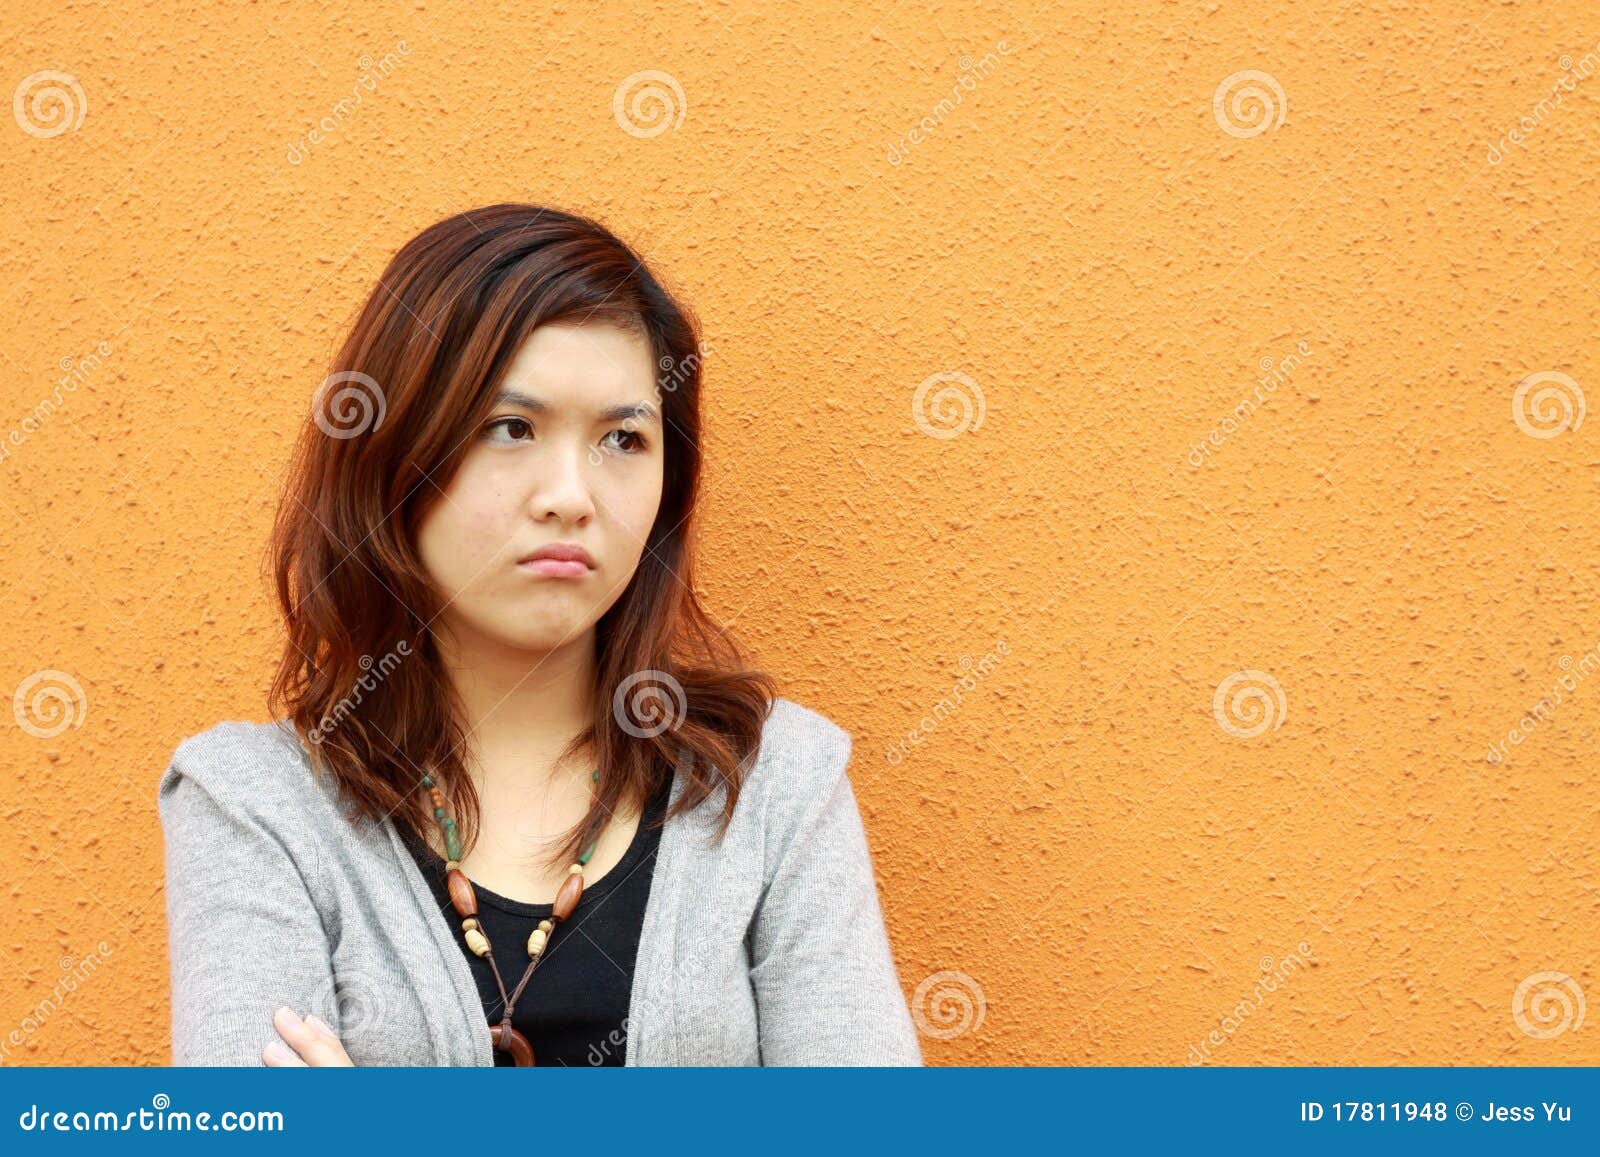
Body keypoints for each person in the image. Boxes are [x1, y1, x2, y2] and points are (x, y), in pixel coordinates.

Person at [156, 203, 923, 1067]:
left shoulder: (773, 785)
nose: (573, 494)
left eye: (623, 438)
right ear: (395, 454)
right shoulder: (256, 807)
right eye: (511, 427)